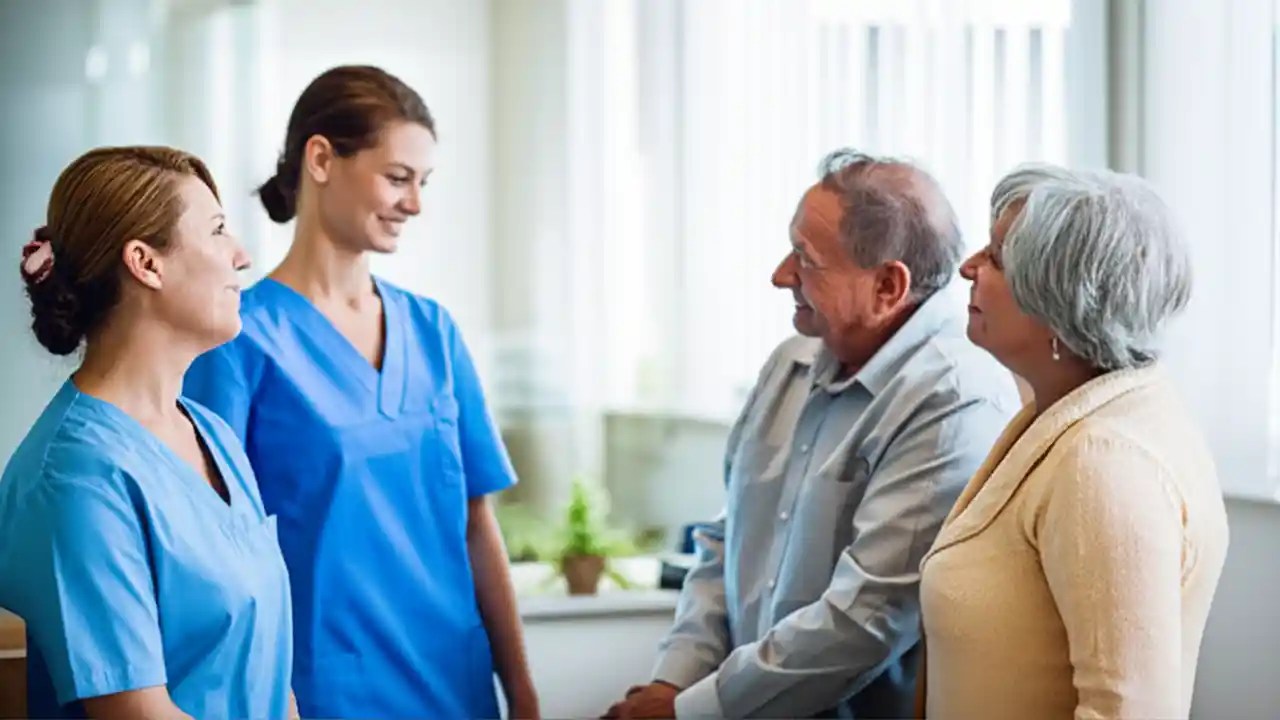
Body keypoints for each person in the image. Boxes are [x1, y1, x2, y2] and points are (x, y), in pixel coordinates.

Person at [605, 150, 1019, 719]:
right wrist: (673, 684)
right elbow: (727, 543)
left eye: (807, 259)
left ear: (887, 286)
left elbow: (865, 619)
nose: (781, 275)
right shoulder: (792, 361)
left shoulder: (955, 398)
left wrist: (689, 711)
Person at [183, 65, 538, 720]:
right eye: (398, 177)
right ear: (321, 158)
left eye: (423, 183)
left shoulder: (433, 331)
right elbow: (216, 555)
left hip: (456, 686)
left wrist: (522, 693)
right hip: (320, 691)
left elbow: (475, 525)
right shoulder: (238, 341)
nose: (416, 203)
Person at [918, 165, 1230, 718]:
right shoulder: (1073, 411)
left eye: (995, 257)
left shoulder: (1103, 460)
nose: (968, 267)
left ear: (1057, 302)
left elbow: (1126, 712)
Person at [0, 146, 294, 719]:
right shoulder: (76, 476)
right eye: (217, 231)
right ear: (146, 262)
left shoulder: (210, 434)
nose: (242, 255)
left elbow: (268, 675)